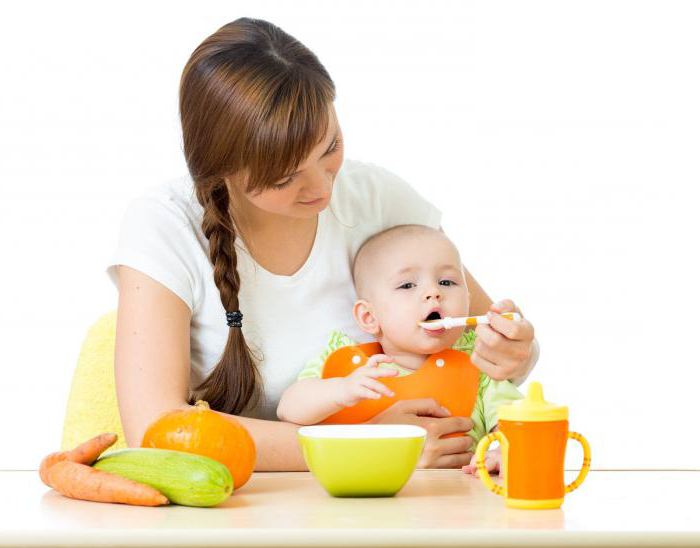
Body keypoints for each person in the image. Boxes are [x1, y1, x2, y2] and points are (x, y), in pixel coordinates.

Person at [109, 17, 539, 471]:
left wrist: (515, 349)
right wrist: (365, 445)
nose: (322, 188)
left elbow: (480, 345)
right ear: (220, 171)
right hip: (239, 502)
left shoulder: (378, 198)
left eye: (329, 146)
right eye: (285, 176)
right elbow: (156, 429)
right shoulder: (165, 224)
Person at [277, 224, 523, 475]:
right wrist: (342, 389)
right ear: (369, 316)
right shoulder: (349, 366)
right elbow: (288, 409)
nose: (433, 293)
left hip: (459, 504)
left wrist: (504, 449)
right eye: (407, 285)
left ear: (469, 302)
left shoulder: (478, 366)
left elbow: (518, 421)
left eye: (447, 281)